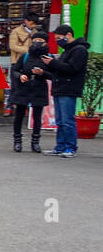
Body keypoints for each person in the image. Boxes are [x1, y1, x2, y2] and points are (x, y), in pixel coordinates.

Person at [37, 24, 88, 158]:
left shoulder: (79, 50)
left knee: (67, 120)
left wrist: (53, 63)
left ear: (69, 35)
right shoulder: (67, 50)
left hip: (69, 89)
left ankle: (70, 147)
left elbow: (72, 68)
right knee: (60, 121)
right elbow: (61, 68)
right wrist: (48, 66)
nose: (58, 41)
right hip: (60, 88)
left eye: (60, 38)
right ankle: (60, 146)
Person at [10, 33, 49, 153]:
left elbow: (54, 75)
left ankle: (35, 142)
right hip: (24, 88)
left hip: (39, 88)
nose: (37, 42)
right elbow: (14, 70)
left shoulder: (49, 58)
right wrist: (21, 76)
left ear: (46, 42)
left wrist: (42, 73)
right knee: (19, 116)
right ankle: (17, 141)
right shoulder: (25, 56)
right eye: (35, 40)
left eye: (40, 40)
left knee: (37, 117)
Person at [7, 15, 36, 114]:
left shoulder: (35, 33)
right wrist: (29, 50)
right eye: (31, 23)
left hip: (28, 63)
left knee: (27, 85)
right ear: (26, 21)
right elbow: (12, 46)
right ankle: (9, 106)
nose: (33, 25)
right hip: (16, 62)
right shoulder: (16, 31)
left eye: (34, 24)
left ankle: (25, 107)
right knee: (14, 86)